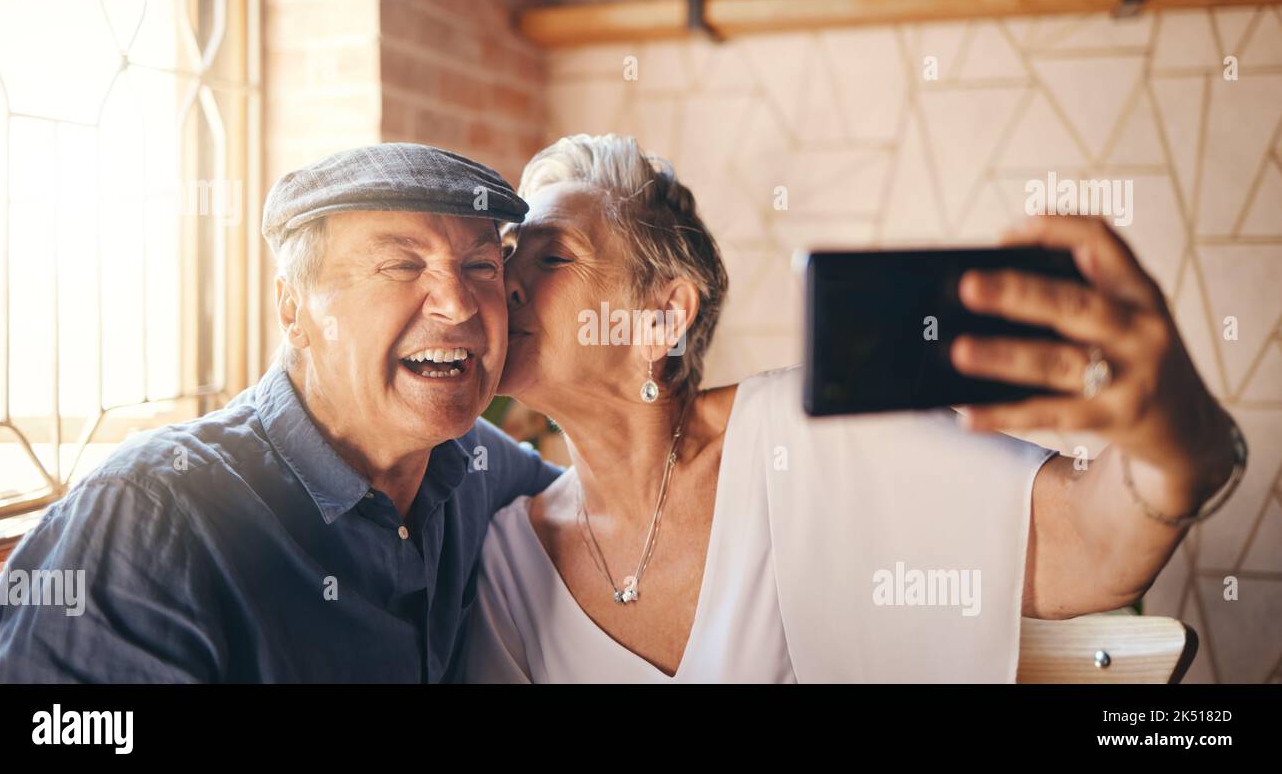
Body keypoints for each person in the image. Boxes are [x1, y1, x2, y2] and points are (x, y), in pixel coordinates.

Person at [463, 133, 1245, 683]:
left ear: (661, 319)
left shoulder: (808, 439)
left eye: (554, 255)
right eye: (506, 259)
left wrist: (1177, 439)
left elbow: (1089, 547)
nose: (511, 282)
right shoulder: (507, 560)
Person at [0, 143, 560, 683]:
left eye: (481, 266)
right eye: (401, 266)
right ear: (293, 311)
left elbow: (617, 515)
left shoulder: (477, 465)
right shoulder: (147, 516)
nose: (458, 303)